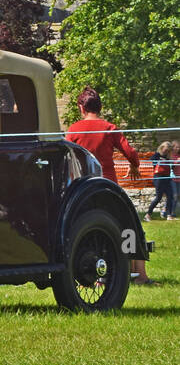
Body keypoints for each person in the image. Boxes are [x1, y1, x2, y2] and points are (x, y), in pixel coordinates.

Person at [65, 87, 154, 284]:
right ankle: (139, 274)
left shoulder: (73, 130)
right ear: (100, 107)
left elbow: (66, 156)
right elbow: (131, 153)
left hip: (82, 189)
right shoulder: (109, 128)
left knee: (89, 228)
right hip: (108, 188)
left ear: (81, 108)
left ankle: (95, 273)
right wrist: (134, 165)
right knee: (129, 227)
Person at [146, 142, 176, 221]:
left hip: (167, 178)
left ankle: (169, 215)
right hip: (158, 178)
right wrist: (160, 161)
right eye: (166, 150)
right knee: (158, 197)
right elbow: (151, 161)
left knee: (170, 196)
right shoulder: (156, 155)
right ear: (162, 147)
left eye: (168, 150)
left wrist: (171, 161)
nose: (166, 151)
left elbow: (172, 166)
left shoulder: (168, 156)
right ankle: (148, 214)